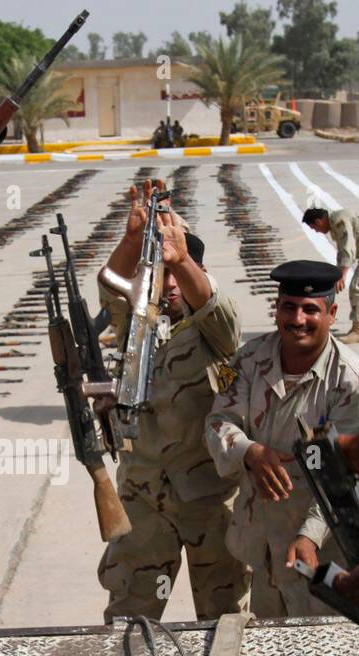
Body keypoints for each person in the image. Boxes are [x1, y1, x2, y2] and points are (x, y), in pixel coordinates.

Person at [95, 179, 251, 623]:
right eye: (165, 274)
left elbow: (213, 306)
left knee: (223, 622)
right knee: (129, 619)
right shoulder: (140, 321)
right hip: (144, 498)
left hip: (209, 501)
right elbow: (110, 290)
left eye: (182, 275)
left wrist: (180, 258)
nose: (173, 285)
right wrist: (132, 240)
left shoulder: (216, 329)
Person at [205, 261, 359, 618]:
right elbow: (218, 421)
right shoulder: (248, 361)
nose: (297, 319)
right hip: (264, 549)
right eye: (288, 307)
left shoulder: (351, 383)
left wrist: (310, 536)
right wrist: (249, 451)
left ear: (331, 313)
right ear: (277, 307)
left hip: (322, 559)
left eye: (310, 309)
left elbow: (351, 479)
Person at [302, 206, 359, 343]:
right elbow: (341, 252)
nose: (316, 231)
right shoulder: (335, 221)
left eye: (314, 228)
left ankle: (358, 330)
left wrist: (342, 275)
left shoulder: (338, 220)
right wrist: (337, 274)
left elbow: (348, 246)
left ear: (319, 221)